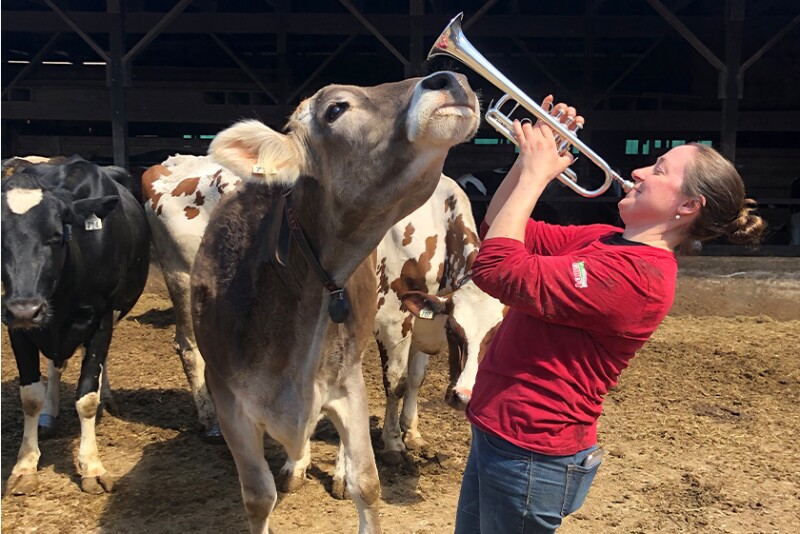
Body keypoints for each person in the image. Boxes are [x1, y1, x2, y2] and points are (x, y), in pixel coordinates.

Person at [454, 96, 766, 534]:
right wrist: (527, 164)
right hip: (499, 433)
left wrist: (538, 173)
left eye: (657, 170)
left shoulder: (639, 278)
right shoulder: (606, 238)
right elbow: (499, 230)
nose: (638, 172)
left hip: (531, 454)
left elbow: (497, 270)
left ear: (688, 206)